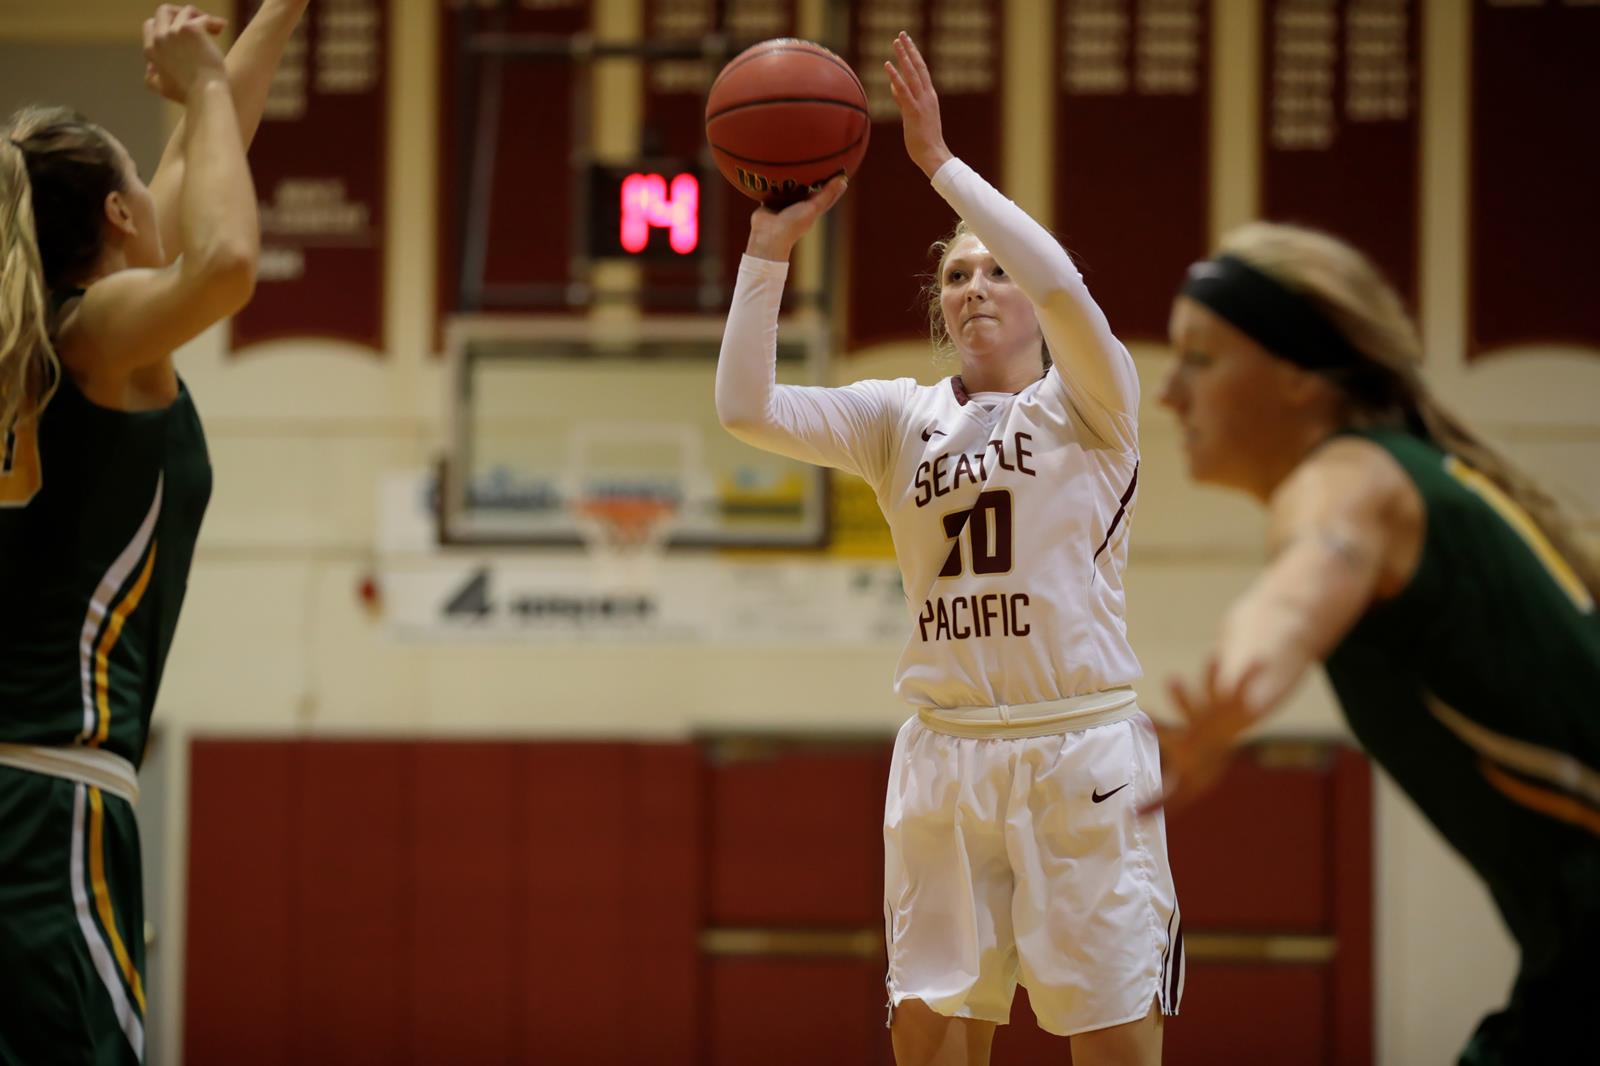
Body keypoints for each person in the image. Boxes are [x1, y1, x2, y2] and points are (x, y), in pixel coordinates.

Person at [717, 32, 1179, 1066]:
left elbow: (1061, 281)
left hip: (1081, 751)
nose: (977, 284)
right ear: (940, 305)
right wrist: (769, 250)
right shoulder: (897, 418)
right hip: (946, 750)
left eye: (995, 270)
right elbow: (742, 406)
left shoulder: (1092, 405)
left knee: (1111, 1042)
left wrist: (940, 169)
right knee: (931, 1040)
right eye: (957, 274)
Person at [1156, 221, 1600, 1066]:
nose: (1170, 392)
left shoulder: (1352, 477)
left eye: (1202, 358)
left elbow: (1316, 566)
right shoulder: (1419, 477)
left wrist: (1244, 674)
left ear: (1297, 376)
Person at [0, 3, 306, 1061]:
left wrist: (266, 31)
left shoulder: (49, 340)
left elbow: (202, 165)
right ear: (120, 223)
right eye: (143, 180)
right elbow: (222, 261)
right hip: (45, 815)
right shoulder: (95, 338)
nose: (160, 183)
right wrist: (209, 90)